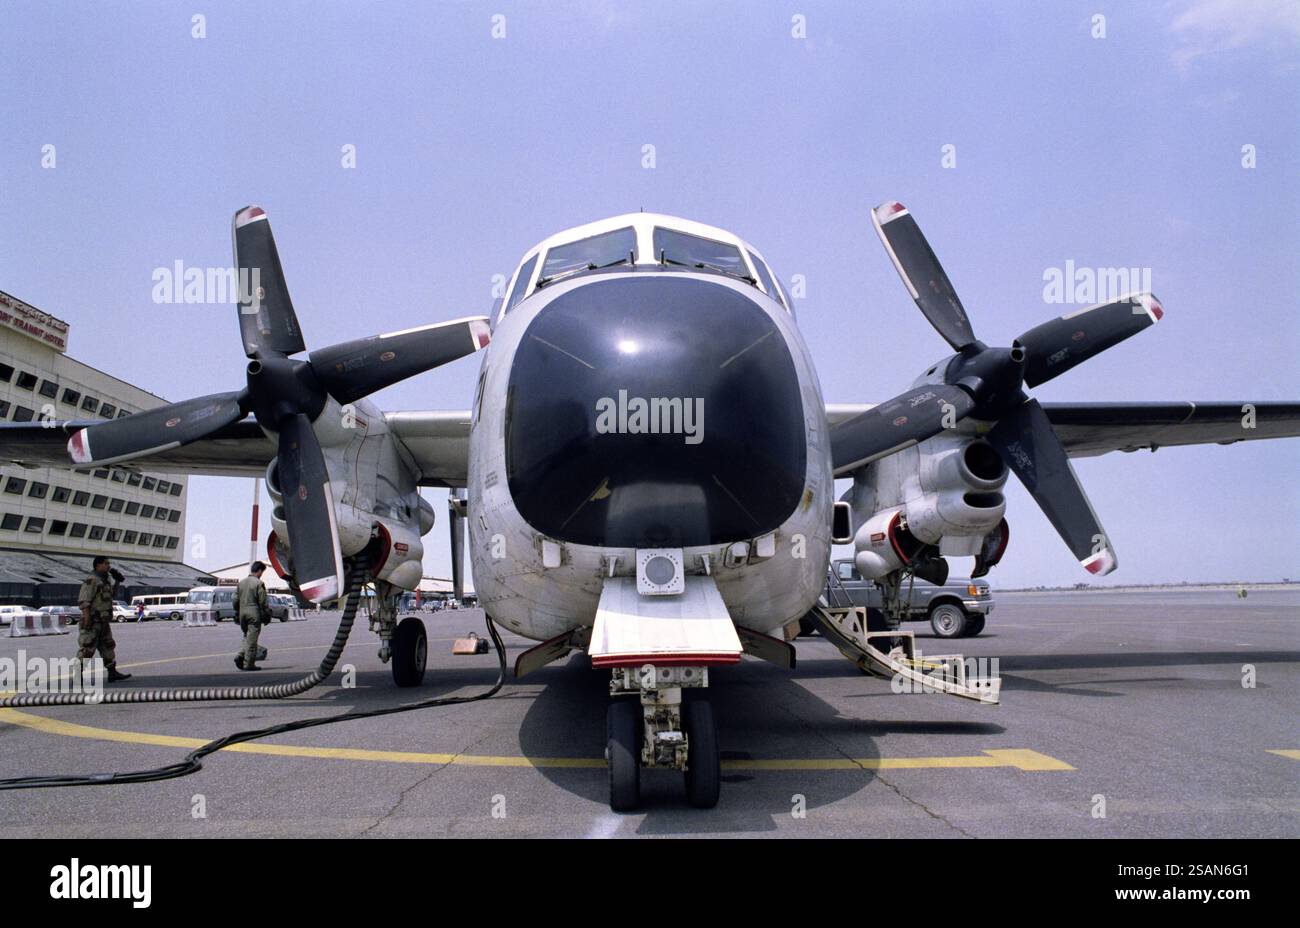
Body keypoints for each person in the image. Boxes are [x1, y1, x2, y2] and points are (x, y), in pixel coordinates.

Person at [77, 556, 131, 683]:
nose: (108, 566)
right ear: (98, 565)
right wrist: (86, 618)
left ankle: (112, 672)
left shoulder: (105, 581)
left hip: (103, 621)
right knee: (87, 648)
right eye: (106, 564)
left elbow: (112, 595)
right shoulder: (92, 580)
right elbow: (84, 601)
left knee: (108, 646)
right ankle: (77, 674)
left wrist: (117, 581)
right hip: (93, 620)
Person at [234, 562, 270, 671]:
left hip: (242, 613)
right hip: (253, 614)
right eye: (262, 572)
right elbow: (263, 601)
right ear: (259, 570)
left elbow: (235, 600)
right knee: (252, 640)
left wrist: (237, 611)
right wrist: (266, 613)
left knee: (247, 636)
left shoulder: (241, 583)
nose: (261, 574)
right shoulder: (259, 583)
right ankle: (249, 664)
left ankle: (240, 655)